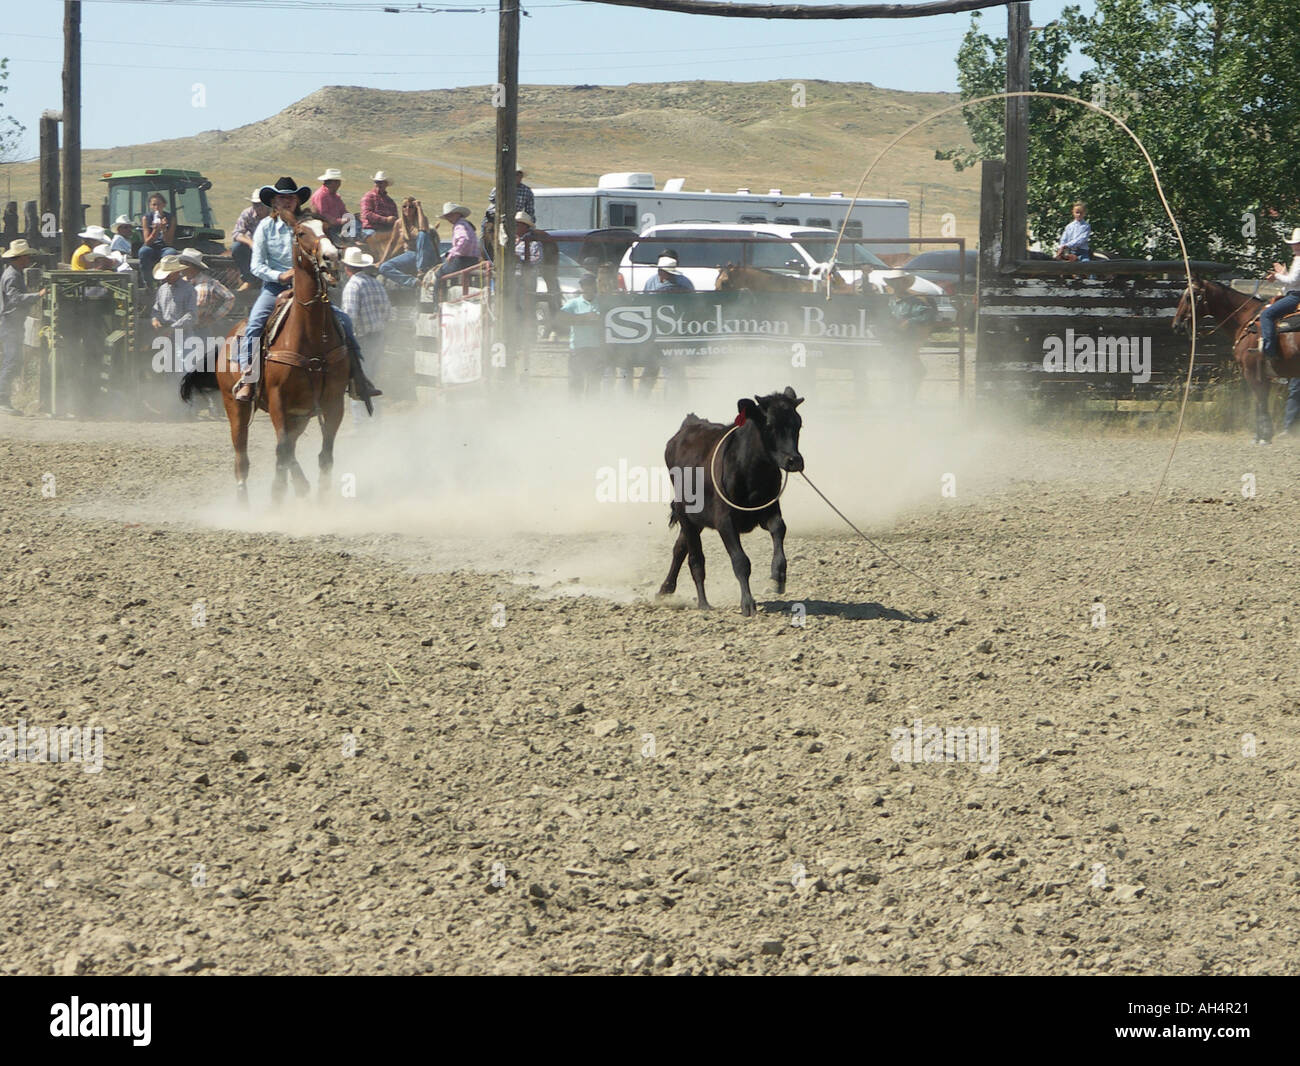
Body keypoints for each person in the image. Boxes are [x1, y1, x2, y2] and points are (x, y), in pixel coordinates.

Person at [234, 176, 379, 407]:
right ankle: (248, 379)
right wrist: (280, 275)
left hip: (308, 288)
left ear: (297, 200)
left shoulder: (309, 225)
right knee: (255, 324)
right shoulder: (265, 227)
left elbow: (323, 252)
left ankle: (357, 377)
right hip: (275, 287)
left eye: (291, 197)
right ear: (273, 201)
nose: (287, 201)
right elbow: (256, 266)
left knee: (343, 321)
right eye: (282, 197)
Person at [340, 246, 392, 421]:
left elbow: (349, 317)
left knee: (358, 380)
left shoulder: (353, 285)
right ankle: (376, 418)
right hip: (379, 336)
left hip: (361, 340)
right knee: (373, 378)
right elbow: (387, 311)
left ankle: (361, 422)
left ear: (347, 268)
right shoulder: (376, 282)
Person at [0, 240, 46, 415]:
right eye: (27, 256)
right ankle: (2, 399)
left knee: (13, 360)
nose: (29, 259)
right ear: (20, 258)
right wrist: (37, 295)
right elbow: (14, 299)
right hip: (10, 323)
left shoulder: (13, 273)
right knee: (11, 361)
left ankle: (4, 399)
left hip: (11, 322)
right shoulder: (13, 276)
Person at [881, 271, 935, 403]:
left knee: (909, 370)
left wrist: (909, 322)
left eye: (900, 281)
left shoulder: (913, 301)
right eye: (894, 282)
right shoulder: (889, 300)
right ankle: (903, 400)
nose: (897, 284)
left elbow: (928, 315)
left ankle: (905, 400)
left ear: (904, 283)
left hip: (906, 340)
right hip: (894, 340)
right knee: (906, 370)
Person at [555, 272, 602, 398]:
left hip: (596, 347)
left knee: (594, 382)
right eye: (584, 285)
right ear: (581, 287)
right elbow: (560, 318)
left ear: (594, 286)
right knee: (576, 381)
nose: (587, 288)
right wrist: (584, 318)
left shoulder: (601, 302)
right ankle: (575, 408)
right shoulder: (574, 303)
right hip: (578, 347)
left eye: (590, 284)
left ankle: (590, 408)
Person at [377, 200, 439, 289]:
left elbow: (423, 229)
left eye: (411, 207)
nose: (407, 209)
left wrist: (419, 207)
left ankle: (421, 270)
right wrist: (382, 261)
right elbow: (392, 243)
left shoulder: (422, 220)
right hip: (412, 254)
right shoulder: (399, 223)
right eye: (404, 206)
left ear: (415, 209)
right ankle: (413, 282)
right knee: (384, 267)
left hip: (426, 254)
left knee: (422, 234)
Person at [481, 168, 534, 261]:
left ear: (521, 177)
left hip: (513, 219)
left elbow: (530, 210)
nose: (516, 177)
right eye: (514, 175)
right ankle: (485, 256)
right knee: (485, 236)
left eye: (518, 175)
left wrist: (530, 223)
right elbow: (492, 198)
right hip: (493, 216)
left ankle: (510, 255)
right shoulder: (501, 186)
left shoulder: (526, 191)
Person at [178, 247, 235, 329]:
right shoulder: (180, 283)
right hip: (181, 328)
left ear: (190, 265)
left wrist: (214, 317)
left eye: (182, 263)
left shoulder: (210, 283)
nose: (180, 266)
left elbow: (230, 298)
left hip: (200, 328)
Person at [230, 188, 269, 291]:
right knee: (236, 247)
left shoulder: (274, 215)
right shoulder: (247, 213)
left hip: (269, 246)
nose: (257, 207)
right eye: (255, 204)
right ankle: (249, 279)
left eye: (260, 204)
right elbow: (237, 233)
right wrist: (251, 243)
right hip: (251, 246)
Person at [433, 202, 480, 283]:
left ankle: (437, 295)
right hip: (474, 260)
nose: (449, 218)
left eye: (451, 215)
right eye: (447, 216)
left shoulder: (459, 226)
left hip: (463, 260)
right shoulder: (467, 225)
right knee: (451, 273)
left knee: (439, 273)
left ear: (458, 214)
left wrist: (452, 254)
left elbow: (464, 239)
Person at [151, 254, 196, 336]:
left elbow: (191, 315)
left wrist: (173, 328)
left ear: (177, 272)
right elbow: (156, 309)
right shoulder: (162, 289)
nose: (166, 278)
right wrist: (155, 319)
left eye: (168, 275)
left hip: (183, 335)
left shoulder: (188, 289)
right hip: (165, 334)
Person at [139, 193, 176, 283]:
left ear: (164, 205)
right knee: (144, 251)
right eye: (154, 205)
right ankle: (148, 281)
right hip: (151, 247)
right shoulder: (146, 218)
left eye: (159, 204)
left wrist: (163, 230)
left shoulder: (171, 218)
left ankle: (166, 281)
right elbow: (147, 242)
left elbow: (169, 243)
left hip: (164, 247)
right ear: (150, 206)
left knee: (170, 253)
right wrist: (155, 230)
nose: (156, 207)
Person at [309, 168, 352, 243]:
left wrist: (348, 216)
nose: (339, 184)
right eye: (338, 182)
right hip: (326, 227)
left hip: (338, 225)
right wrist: (340, 221)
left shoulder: (336, 196)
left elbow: (343, 210)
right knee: (338, 244)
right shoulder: (321, 195)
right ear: (332, 183)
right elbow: (323, 215)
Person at [360, 171, 398, 239]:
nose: (378, 184)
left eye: (380, 182)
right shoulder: (368, 196)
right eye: (376, 182)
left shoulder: (390, 201)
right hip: (371, 229)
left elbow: (395, 217)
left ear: (386, 184)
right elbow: (367, 214)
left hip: (386, 230)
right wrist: (386, 220)